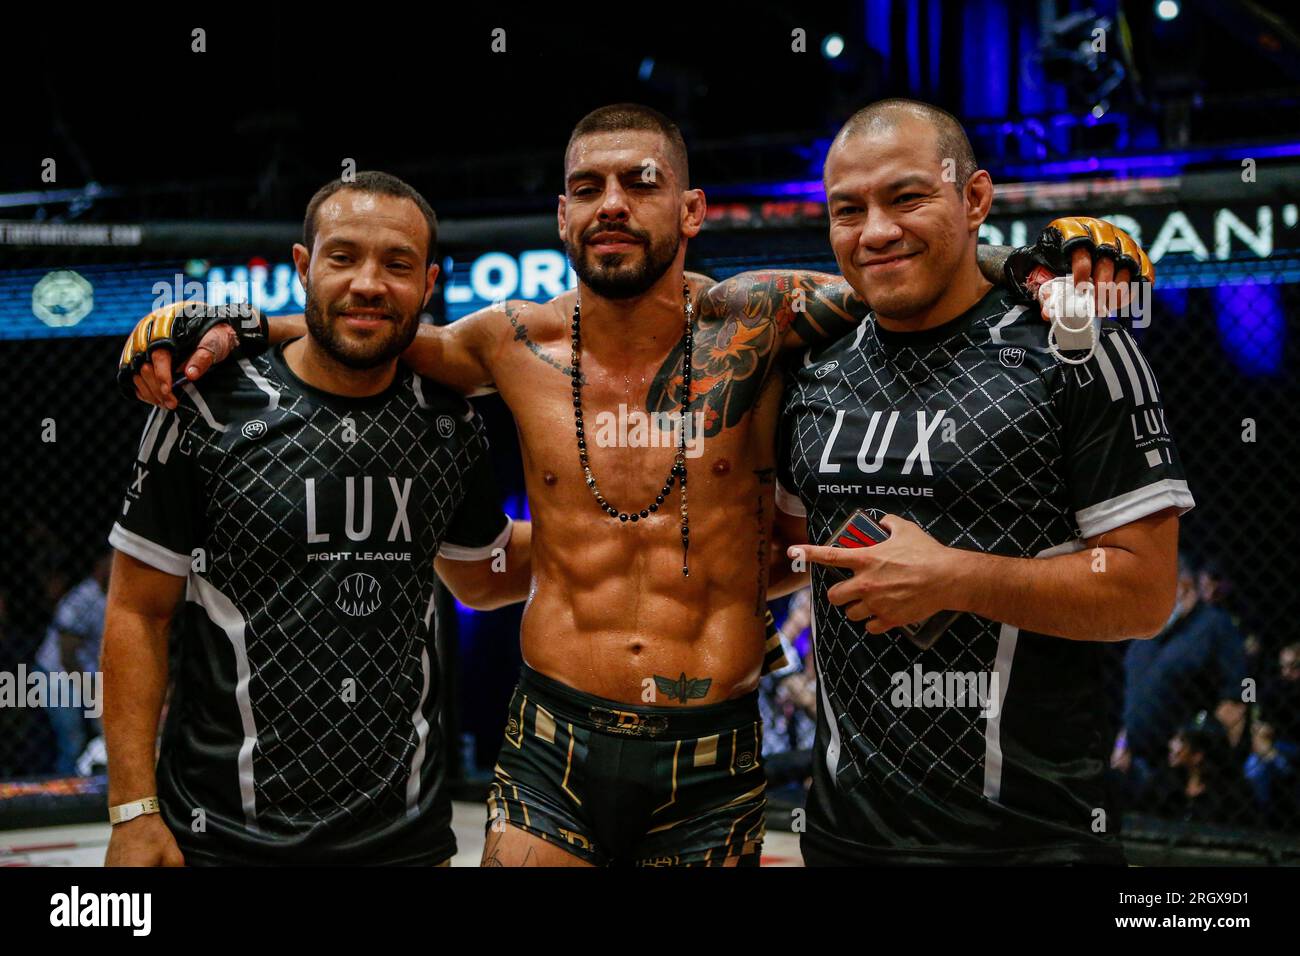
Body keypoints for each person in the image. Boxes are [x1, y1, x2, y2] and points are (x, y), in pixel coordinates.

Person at [118, 103, 1143, 866]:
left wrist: (1035, 254)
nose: (612, 204)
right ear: (559, 214)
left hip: (714, 742)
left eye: (640, 183)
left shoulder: (764, 316)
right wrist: (232, 324)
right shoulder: (506, 342)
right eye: (588, 187)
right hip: (549, 733)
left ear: (690, 209)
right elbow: (368, 324)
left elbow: (907, 269)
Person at [774, 98, 1183, 865]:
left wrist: (954, 579)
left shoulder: (1076, 347)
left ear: (976, 199)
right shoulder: (814, 366)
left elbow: (1146, 591)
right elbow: (786, 555)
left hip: (1032, 842)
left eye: (907, 197)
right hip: (842, 839)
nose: (876, 230)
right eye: (846, 209)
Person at [102, 171, 529, 866]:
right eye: (343, 257)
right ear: (304, 267)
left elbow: (485, 573)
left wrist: (629, 539)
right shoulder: (208, 407)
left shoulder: (448, 420)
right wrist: (131, 811)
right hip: (225, 838)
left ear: (428, 284)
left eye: (396, 264)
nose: (367, 282)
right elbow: (135, 614)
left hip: (405, 842)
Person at [1118, 552, 1249, 791]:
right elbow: (1134, 697)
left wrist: (1208, 765)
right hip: (1134, 768)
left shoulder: (1215, 627)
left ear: (1184, 585)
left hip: (1184, 770)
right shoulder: (1145, 634)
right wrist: (1121, 746)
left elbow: (1235, 700)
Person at [35, 552, 111, 775]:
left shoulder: (114, 597)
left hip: (89, 674)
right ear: (100, 565)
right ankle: (65, 795)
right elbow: (67, 655)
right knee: (72, 738)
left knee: (109, 731)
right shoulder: (82, 598)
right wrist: (91, 693)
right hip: (56, 673)